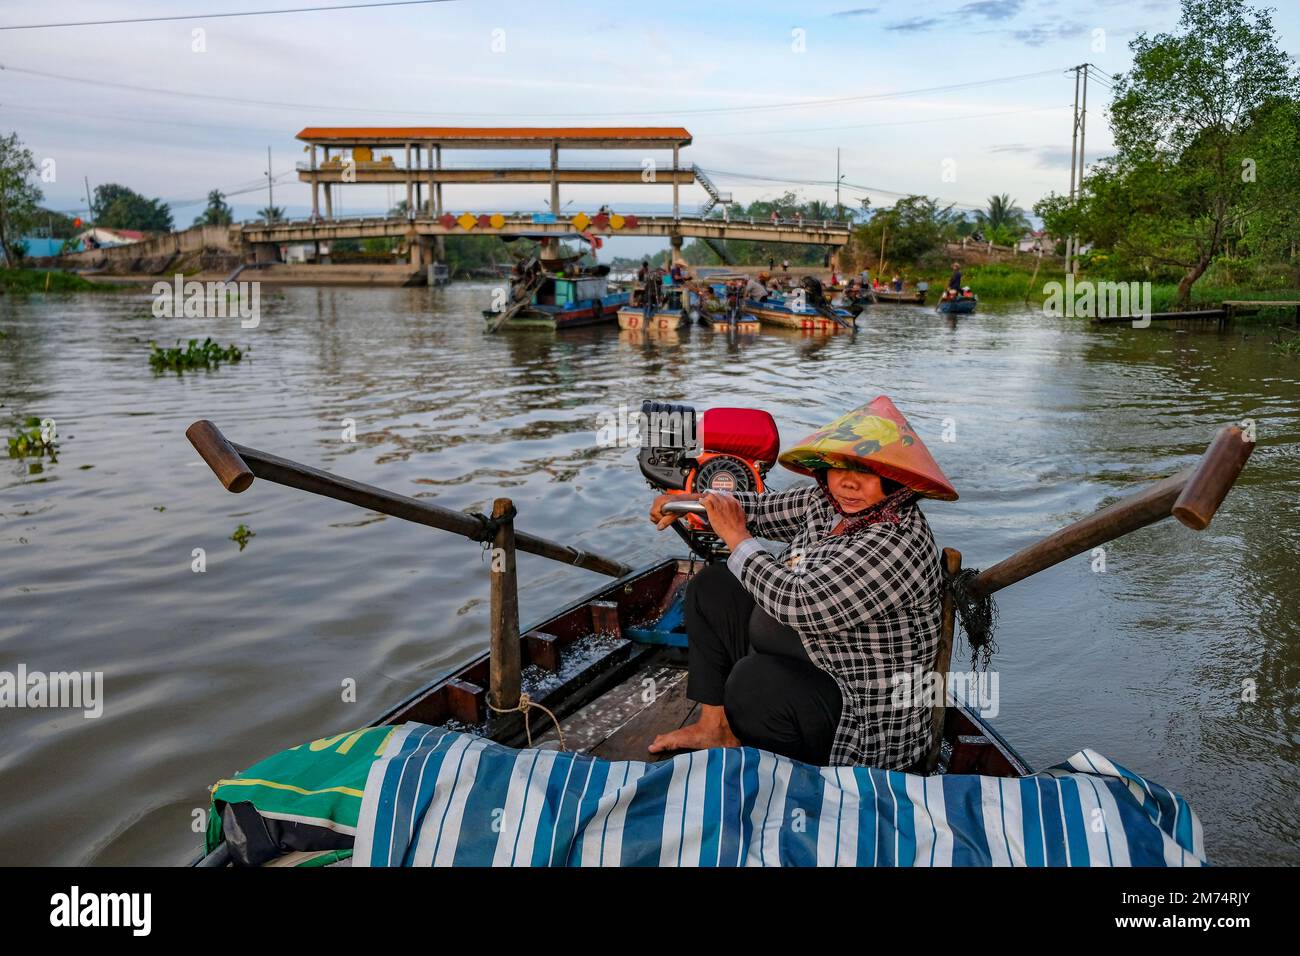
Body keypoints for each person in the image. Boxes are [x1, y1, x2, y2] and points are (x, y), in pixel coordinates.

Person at [646, 396, 957, 769]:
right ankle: (715, 728)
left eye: (866, 471)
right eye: (838, 467)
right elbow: (756, 510)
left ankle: (798, 776)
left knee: (752, 685)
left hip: (863, 719)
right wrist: (694, 500)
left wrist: (737, 538)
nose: (848, 483)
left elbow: (801, 603)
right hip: (817, 654)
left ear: (894, 479)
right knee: (714, 586)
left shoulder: (896, 542)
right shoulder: (829, 501)